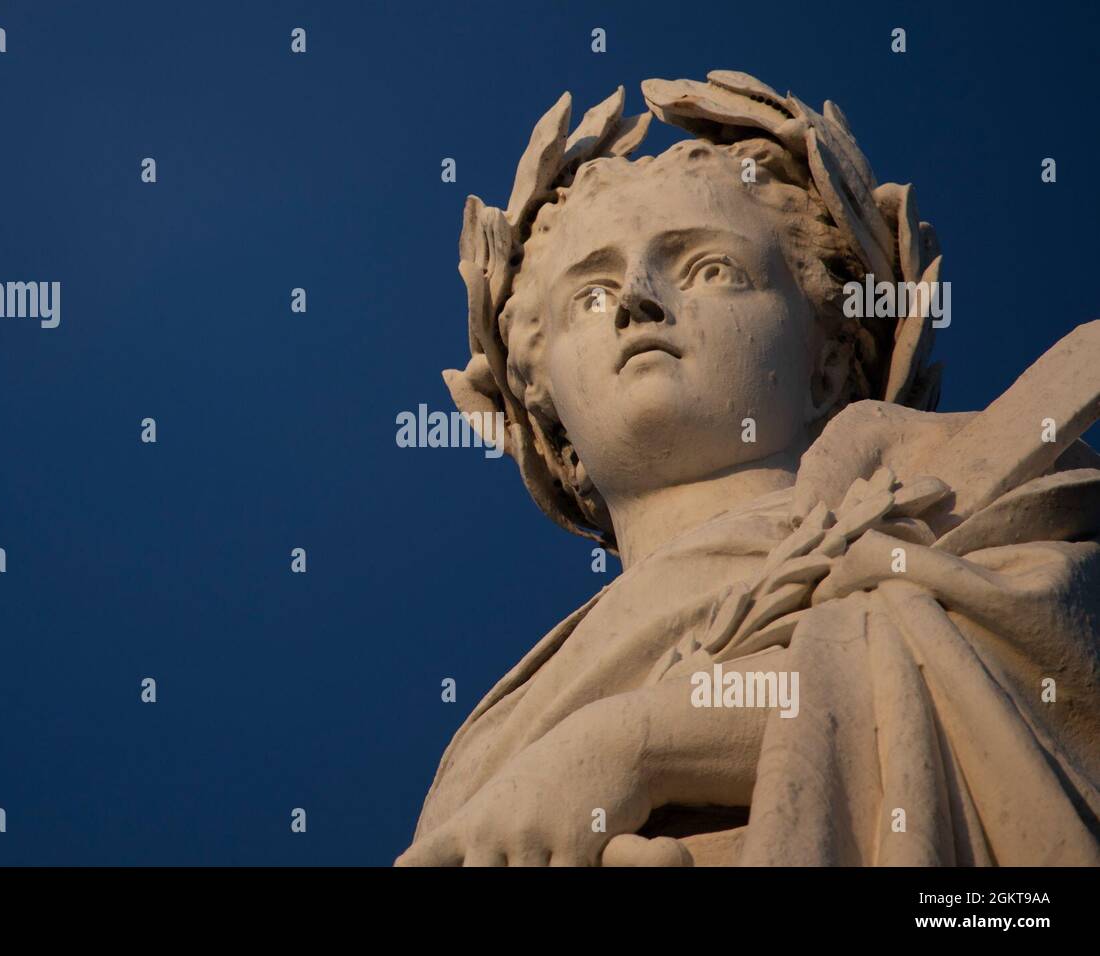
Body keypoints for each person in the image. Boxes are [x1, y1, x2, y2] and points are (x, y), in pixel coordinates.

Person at [398, 72, 1100, 866]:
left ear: (828, 360)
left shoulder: (959, 487)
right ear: (545, 402)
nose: (636, 300)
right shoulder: (487, 741)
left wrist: (640, 743)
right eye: (588, 296)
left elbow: (1056, 678)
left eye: (708, 269)